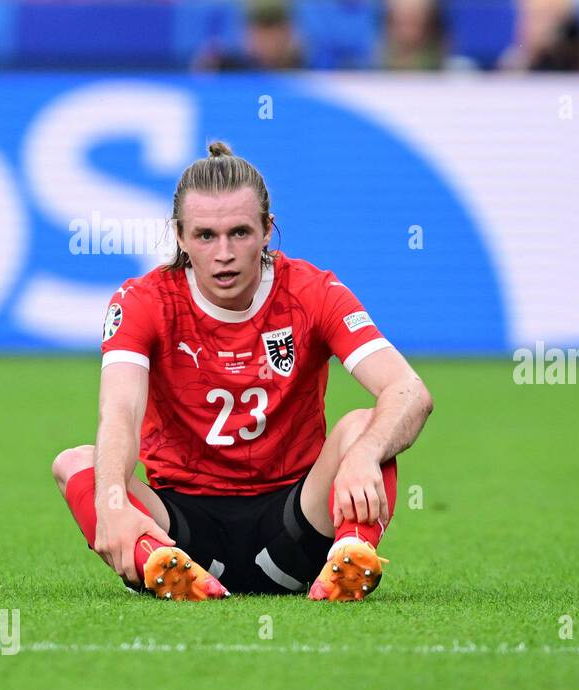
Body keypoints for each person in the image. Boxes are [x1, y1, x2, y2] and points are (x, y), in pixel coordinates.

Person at [51, 142, 433, 601]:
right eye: (205, 235)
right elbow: (119, 413)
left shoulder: (314, 292)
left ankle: (350, 556)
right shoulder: (143, 302)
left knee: (363, 428)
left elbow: (409, 390)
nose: (224, 253)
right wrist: (112, 499)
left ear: (268, 230)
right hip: (184, 532)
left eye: (240, 233)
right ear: (179, 236)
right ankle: (159, 562)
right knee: (77, 463)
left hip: (298, 528)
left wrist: (365, 453)